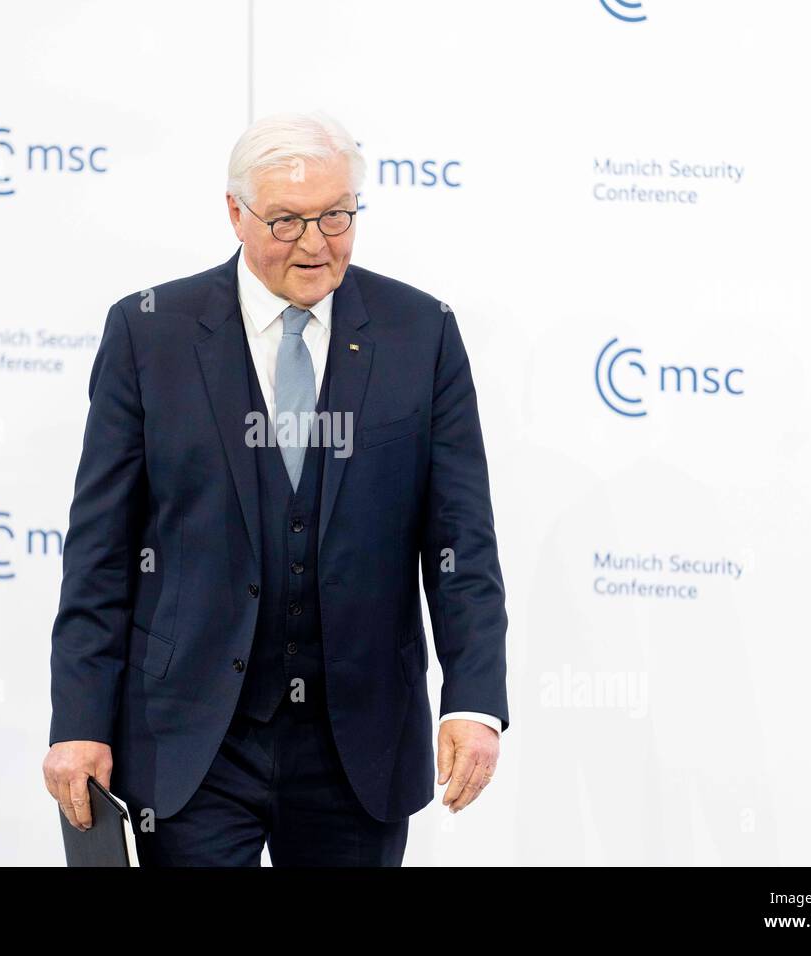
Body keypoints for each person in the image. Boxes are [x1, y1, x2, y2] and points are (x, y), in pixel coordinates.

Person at [43, 110, 508, 866]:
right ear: (236, 214)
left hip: (357, 747)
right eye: (287, 221)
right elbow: (99, 551)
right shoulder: (148, 333)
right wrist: (78, 720)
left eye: (335, 217)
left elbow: (461, 542)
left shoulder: (420, 333)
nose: (316, 244)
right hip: (188, 740)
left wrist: (473, 699)